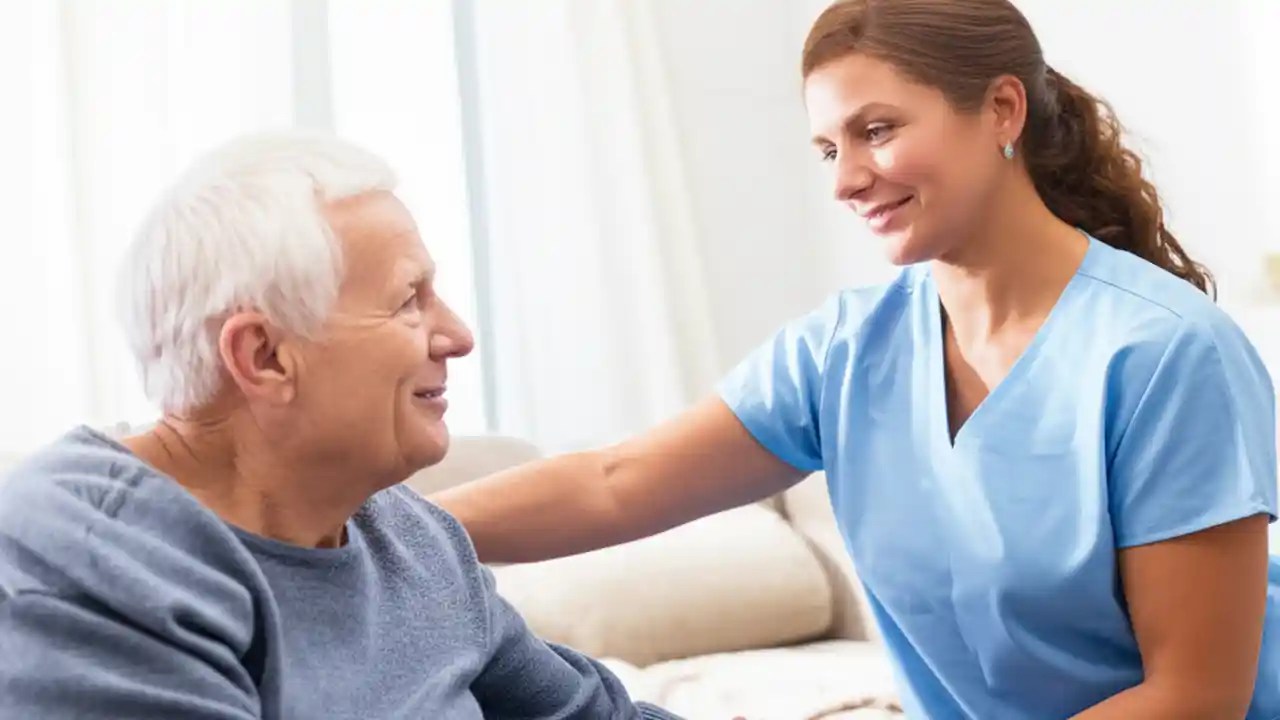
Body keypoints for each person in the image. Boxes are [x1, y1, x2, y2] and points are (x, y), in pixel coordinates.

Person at [434, 0, 1280, 718]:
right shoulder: (845, 350)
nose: (846, 180)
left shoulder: (1164, 355)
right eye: (829, 149)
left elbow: (1192, 699)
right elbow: (612, 482)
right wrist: (377, 526)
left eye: (876, 131)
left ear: (1002, 111)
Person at [0, 133, 679, 720]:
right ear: (264, 356)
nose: (459, 336)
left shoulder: (411, 539)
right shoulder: (87, 561)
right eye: (409, 301)